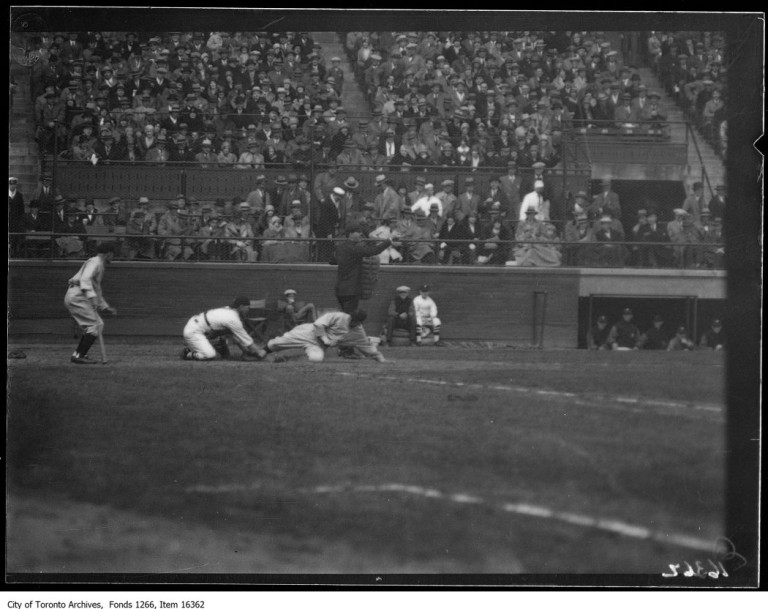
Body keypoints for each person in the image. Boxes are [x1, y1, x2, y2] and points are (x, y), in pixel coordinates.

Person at [261, 309, 384, 363]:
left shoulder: (358, 332)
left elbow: (366, 346)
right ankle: (259, 353)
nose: (353, 322)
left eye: (357, 321)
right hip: (307, 333)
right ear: (351, 316)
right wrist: (325, 340)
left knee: (316, 359)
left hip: (316, 344)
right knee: (275, 344)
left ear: (360, 322)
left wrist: (380, 358)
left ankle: (287, 358)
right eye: (353, 318)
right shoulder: (339, 316)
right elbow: (318, 325)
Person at [64, 242, 117, 364]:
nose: (113, 257)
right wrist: (91, 297)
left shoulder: (98, 264)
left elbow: (96, 289)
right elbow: (85, 279)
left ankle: (78, 354)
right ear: (108, 254)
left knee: (94, 325)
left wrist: (104, 307)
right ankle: (79, 356)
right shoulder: (95, 262)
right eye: (113, 254)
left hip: (78, 295)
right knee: (95, 325)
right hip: (77, 295)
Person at [331, 220, 395, 314]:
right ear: (351, 234)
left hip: (340, 290)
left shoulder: (340, 247)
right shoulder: (355, 248)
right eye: (358, 232)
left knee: (345, 316)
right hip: (351, 290)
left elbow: (332, 261)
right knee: (350, 318)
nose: (361, 234)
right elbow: (375, 251)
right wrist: (389, 240)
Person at [181, 295, 266, 361]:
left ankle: (217, 344)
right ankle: (188, 353)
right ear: (241, 306)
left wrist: (245, 351)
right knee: (210, 355)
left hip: (200, 327)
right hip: (194, 331)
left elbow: (235, 335)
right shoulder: (232, 319)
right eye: (247, 308)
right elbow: (246, 340)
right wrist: (260, 352)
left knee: (227, 336)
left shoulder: (228, 310)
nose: (248, 310)